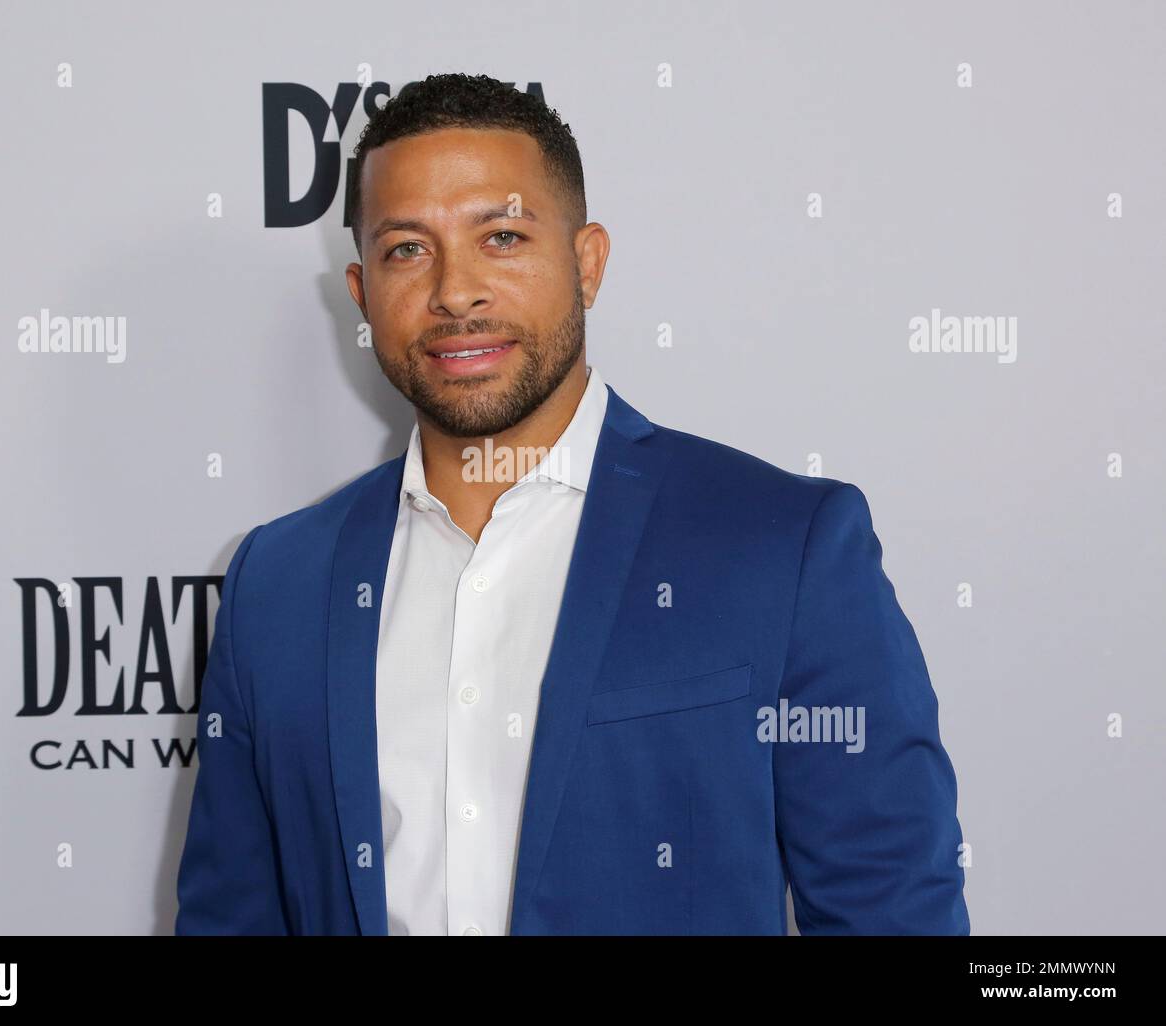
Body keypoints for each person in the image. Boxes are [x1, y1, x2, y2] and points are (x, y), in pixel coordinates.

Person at [175, 72, 969, 936]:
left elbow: (891, 911)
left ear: (587, 263)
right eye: (408, 248)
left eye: (503, 236)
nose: (456, 292)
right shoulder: (279, 581)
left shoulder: (784, 548)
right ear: (364, 295)